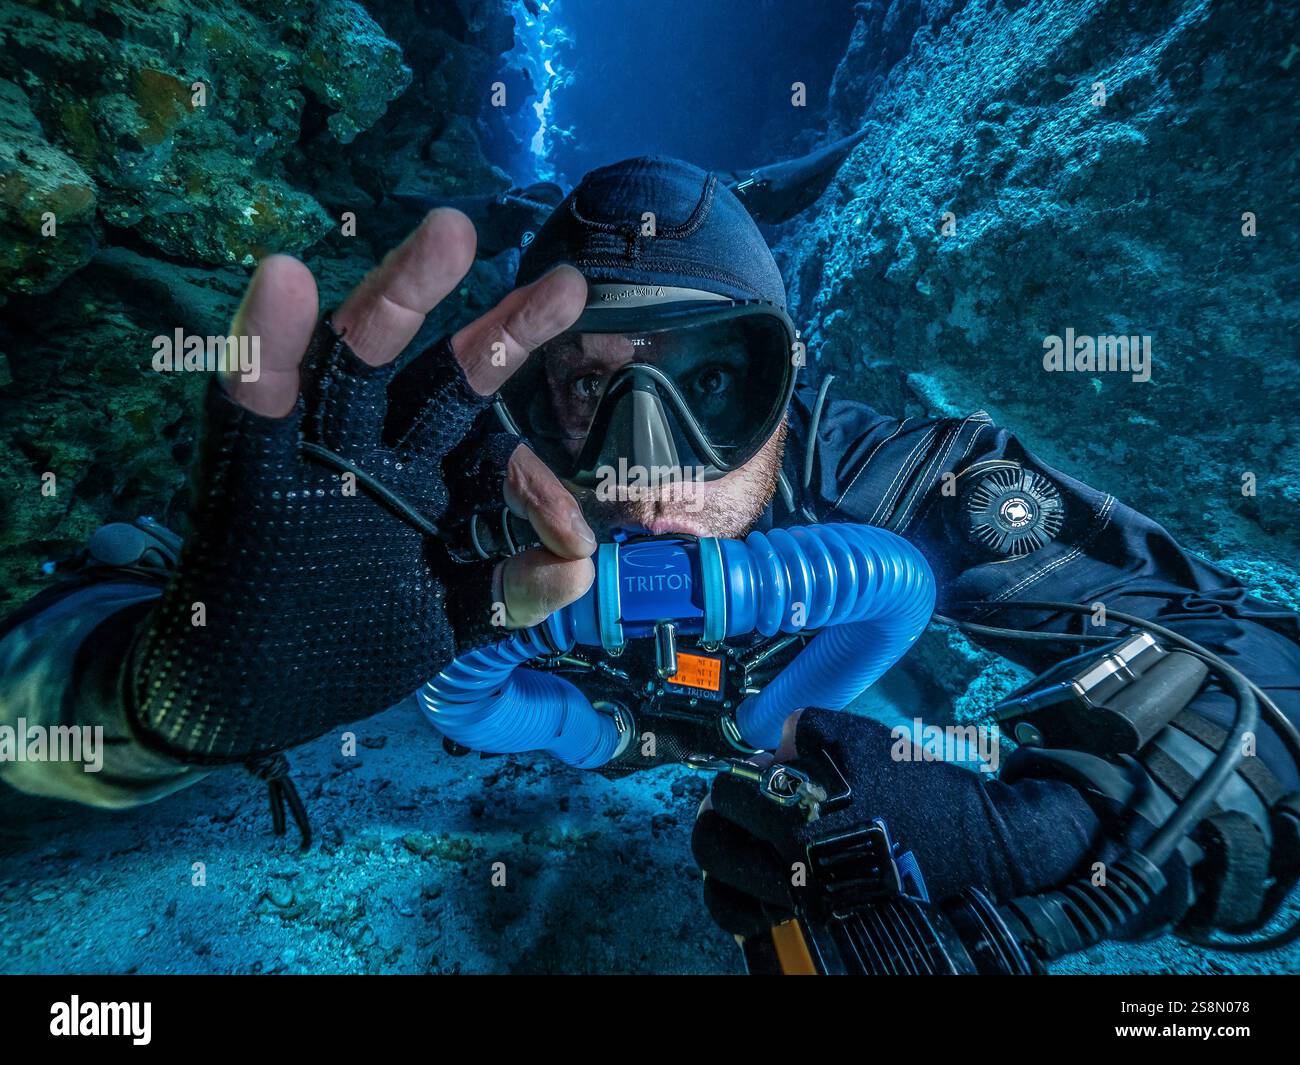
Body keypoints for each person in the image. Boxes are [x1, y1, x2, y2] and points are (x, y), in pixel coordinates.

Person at [2, 157, 1297, 965]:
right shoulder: (437, 510)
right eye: (583, 392)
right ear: (518, 394)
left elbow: (1254, 663)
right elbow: (36, 687)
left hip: (818, 732)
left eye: (710, 382)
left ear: (786, 378)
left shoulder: (892, 484)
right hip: (589, 727)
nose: (643, 460)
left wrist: (1062, 827)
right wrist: (156, 693)